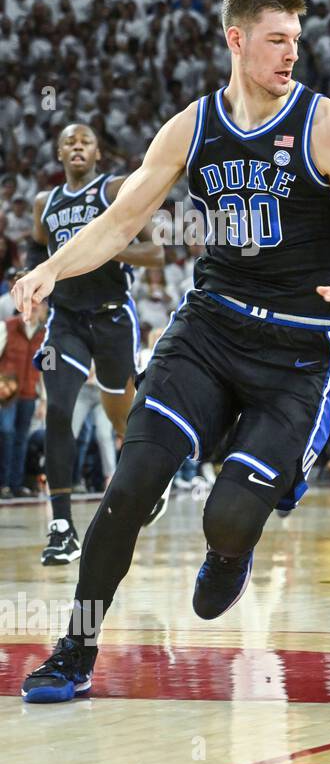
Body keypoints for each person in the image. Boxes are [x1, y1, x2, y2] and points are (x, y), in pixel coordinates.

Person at [13, 0, 330, 702]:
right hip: (209, 332)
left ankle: (233, 545)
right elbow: (121, 222)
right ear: (236, 39)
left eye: (296, 40)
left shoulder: (324, 125)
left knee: (226, 519)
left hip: (296, 354)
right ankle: (74, 650)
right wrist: (49, 269)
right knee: (128, 491)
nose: (292, 53)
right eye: (277, 39)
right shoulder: (192, 126)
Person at [32, 124, 167, 564]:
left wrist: (104, 247)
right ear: (58, 152)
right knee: (57, 408)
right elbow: (40, 249)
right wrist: (36, 290)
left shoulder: (112, 191)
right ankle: (62, 527)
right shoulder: (44, 205)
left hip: (112, 317)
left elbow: (156, 254)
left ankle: (151, 483)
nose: (76, 146)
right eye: (68, 140)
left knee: (120, 417)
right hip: (66, 319)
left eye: (85, 141)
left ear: (96, 154)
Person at [0, 300, 47, 499]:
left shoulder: (47, 335)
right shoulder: (6, 326)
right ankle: (3, 484)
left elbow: (47, 370)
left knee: (21, 439)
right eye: (31, 303)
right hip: (6, 394)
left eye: (39, 303)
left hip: (29, 393)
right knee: (6, 433)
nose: (35, 307)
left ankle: (16, 484)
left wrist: (44, 400)